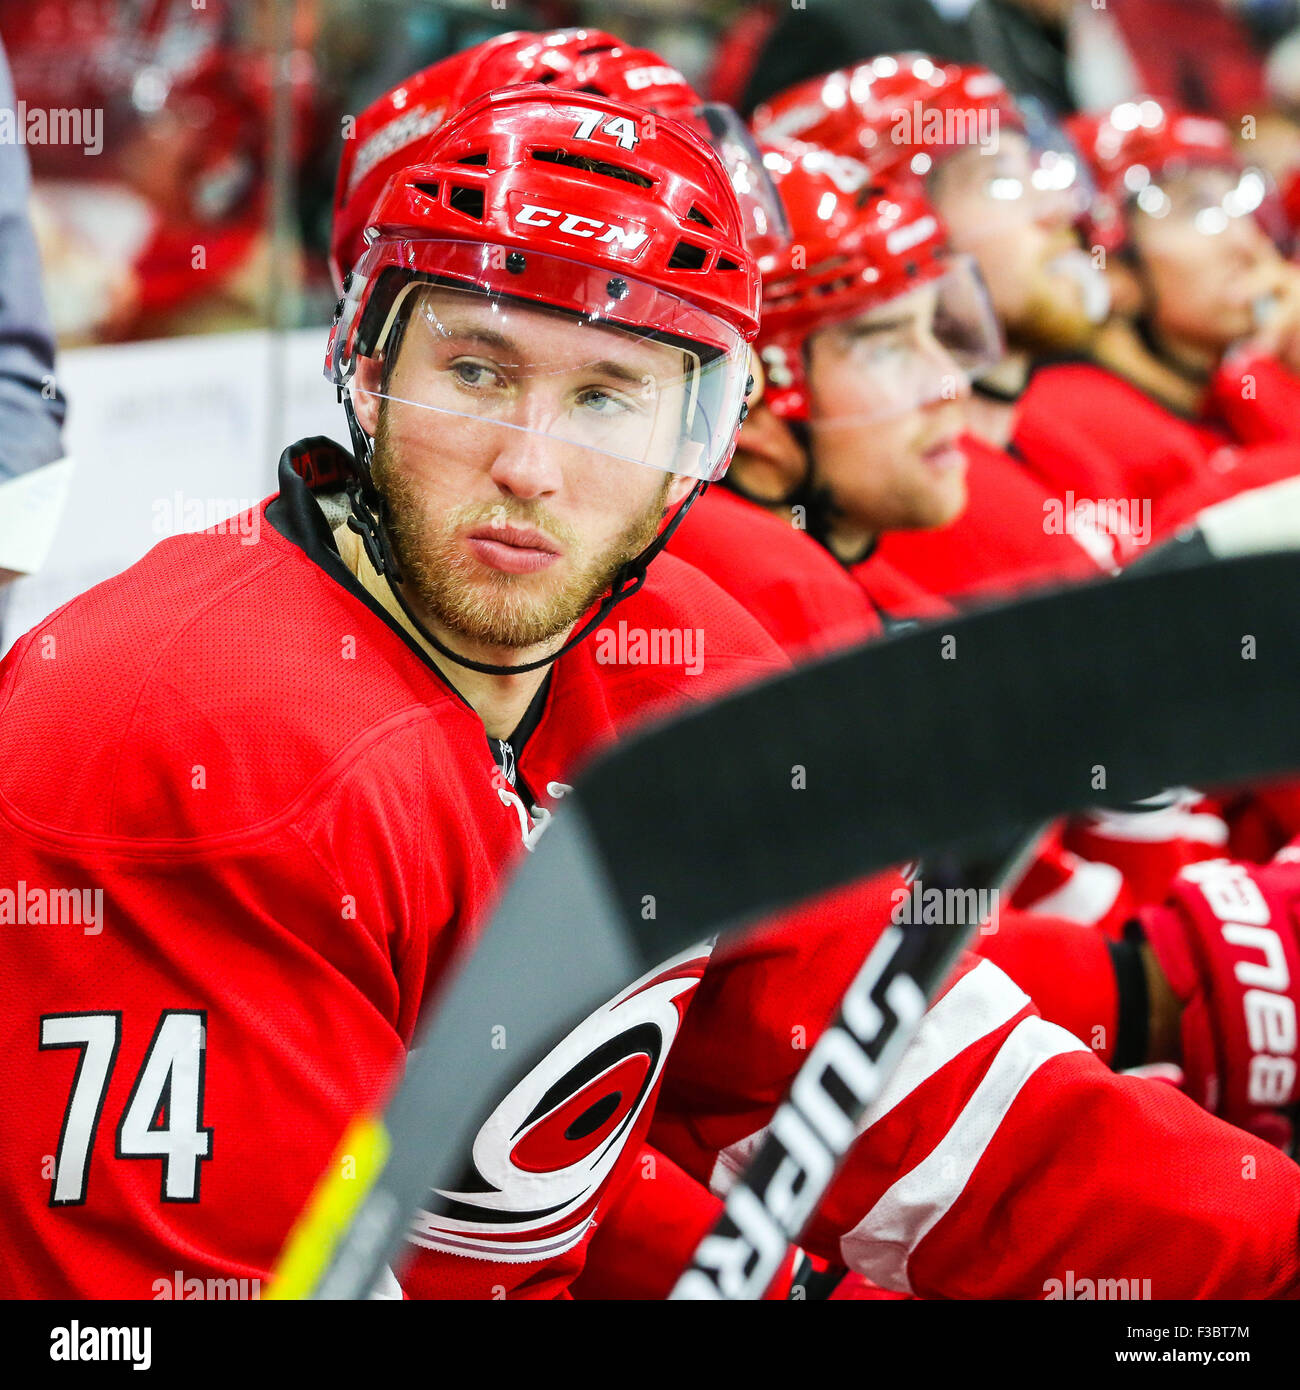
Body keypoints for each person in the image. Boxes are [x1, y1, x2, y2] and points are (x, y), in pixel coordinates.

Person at [4, 64, 1300, 1305]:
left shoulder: (679, 657)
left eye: (610, 395)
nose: (531, 462)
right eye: (477, 369)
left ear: (709, 436)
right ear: (364, 366)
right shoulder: (182, 742)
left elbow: (923, 1106)